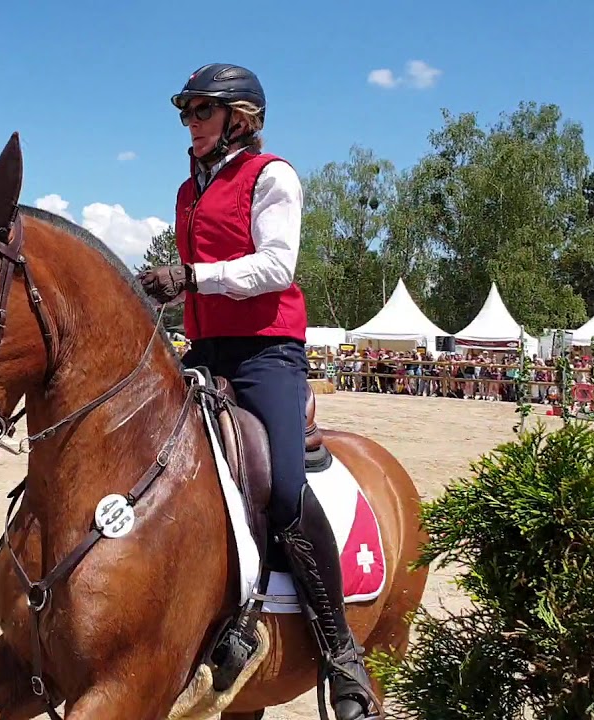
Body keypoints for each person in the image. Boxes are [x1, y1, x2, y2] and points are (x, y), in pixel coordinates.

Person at [138, 63, 375, 720]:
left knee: (285, 490)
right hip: (205, 351)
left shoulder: (273, 177)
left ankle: (341, 653)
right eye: (185, 112)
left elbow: (277, 266)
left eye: (200, 111)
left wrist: (188, 277)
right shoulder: (188, 190)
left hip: (267, 353)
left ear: (238, 119)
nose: (189, 123)